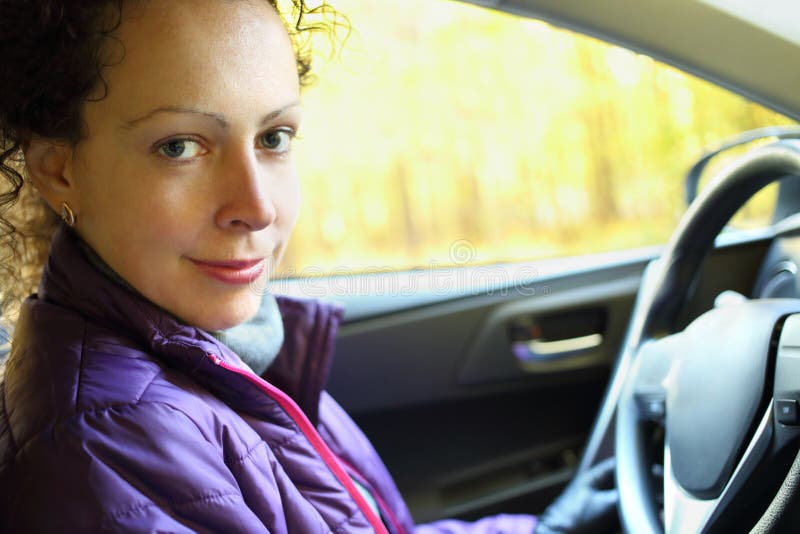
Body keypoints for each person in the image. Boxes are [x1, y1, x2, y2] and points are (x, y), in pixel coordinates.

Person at [0, 1, 618, 532]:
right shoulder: (108, 446)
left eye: (274, 138)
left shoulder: (213, 352)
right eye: (180, 146)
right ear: (60, 170)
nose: (258, 207)